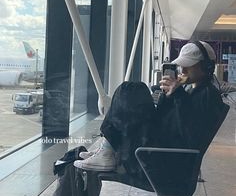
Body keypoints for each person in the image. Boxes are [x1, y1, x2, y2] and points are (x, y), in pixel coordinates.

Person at [74, 41, 225, 172]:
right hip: (161, 151)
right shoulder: (192, 90)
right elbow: (165, 118)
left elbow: (189, 132)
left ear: (207, 67)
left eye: (189, 66)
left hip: (162, 159)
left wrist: (178, 95)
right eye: (182, 66)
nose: (183, 70)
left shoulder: (209, 95)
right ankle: (107, 147)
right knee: (133, 90)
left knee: (131, 89)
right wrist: (168, 95)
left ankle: (107, 150)